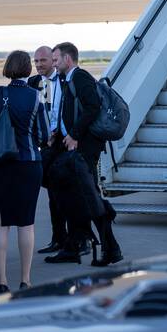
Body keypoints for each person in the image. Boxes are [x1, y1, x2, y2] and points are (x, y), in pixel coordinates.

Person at [44, 41, 124, 267]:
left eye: (56, 59)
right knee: (76, 196)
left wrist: (75, 134)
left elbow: (93, 106)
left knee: (89, 197)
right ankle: (76, 244)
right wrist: (58, 133)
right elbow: (65, 111)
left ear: (67, 59)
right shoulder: (66, 79)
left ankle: (109, 248)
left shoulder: (80, 77)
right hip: (71, 145)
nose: (54, 63)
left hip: (84, 148)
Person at [0, 50, 48, 294]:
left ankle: (2, 281)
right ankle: (25, 279)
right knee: (26, 224)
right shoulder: (35, 96)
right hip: (28, 163)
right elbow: (42, 134)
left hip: (0, 164)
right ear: (28, 68)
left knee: (0, 224)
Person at [29, 45, 72, 255]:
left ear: (52, 61)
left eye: (42, 61)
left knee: (62, 192)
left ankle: (73, 238)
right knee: (52, 195)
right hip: (43, 144)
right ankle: (58, 238)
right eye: (35, 62)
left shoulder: (65, 81)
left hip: (62, 143)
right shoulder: (33, 83)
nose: (38, 65)